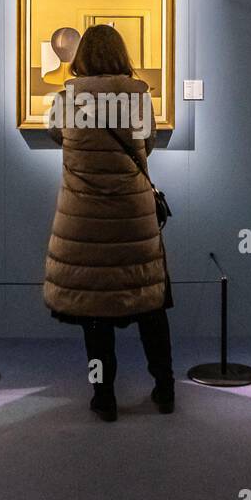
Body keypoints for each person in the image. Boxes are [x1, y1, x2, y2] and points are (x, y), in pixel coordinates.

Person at [43, 24, 174, 422]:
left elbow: (56, 137)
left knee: (94, 312)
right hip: (132, 220)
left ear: (82, 57)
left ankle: (105, 397)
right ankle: (165, 388)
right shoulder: (138, 98)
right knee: (150, 307)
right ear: (120, 55)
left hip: (84, 222)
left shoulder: (66, 99)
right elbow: (146, 144)